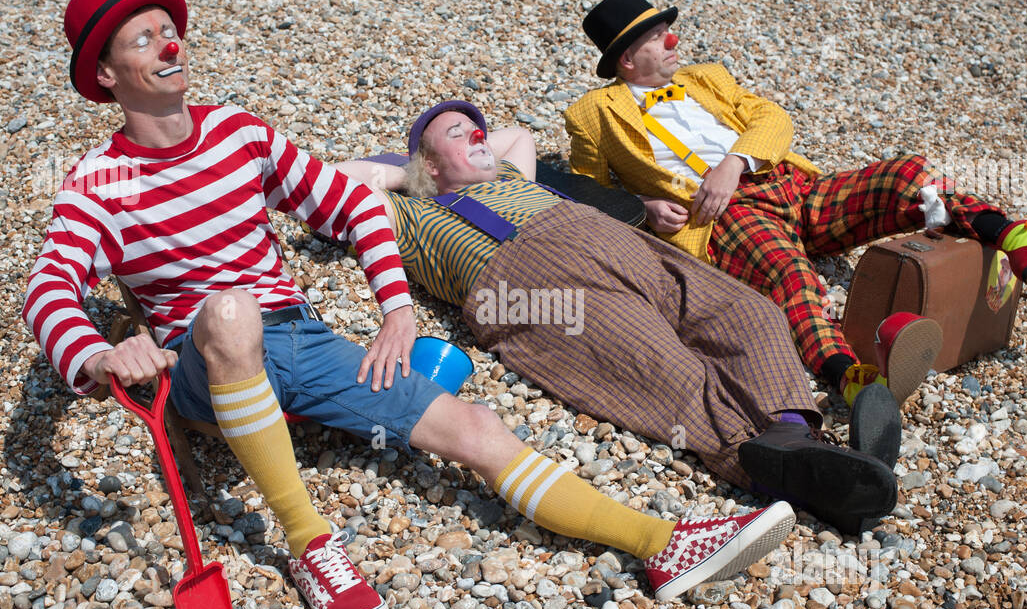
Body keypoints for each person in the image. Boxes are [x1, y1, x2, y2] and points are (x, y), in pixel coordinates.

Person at [24, 0, 800, 609]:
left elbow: (351, 209)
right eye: (143, 41)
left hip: (304, 338)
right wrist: (99, 354)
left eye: (170, 31)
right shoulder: (98, 181)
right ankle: (308, 544)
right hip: (205, 362)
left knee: (478, 428)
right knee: (230, 314)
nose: (170, 47)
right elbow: (50, 288)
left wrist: (396, 309)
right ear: (103, 74)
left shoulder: (239, 133)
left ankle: (662, 542)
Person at [565, 0, 1027, 442]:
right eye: (658, 36)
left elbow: (772, 119)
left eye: (670, 30)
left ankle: (1026, 239)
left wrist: (734, 162)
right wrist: (640, 210)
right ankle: (855, 377)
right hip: (725, 220)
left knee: (908, 175)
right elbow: (584, 192)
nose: (673, 42)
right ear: (625, 60)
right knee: (790, 276)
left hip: (787, 184)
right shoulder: (594, 112)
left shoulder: (707, 77)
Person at [334, 100, 899, 537]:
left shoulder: (512, 176)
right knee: (660, 365)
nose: (479, 136)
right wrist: (407, 174)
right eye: (457, 135)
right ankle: (764, 464)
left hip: (612, 239)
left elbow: (519, 136)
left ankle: (796, 436)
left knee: (745, 312)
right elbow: (341, 179)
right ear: (427, 163)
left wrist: (460, 145)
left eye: (474, 128)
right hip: (529, 281)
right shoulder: (407, 216)